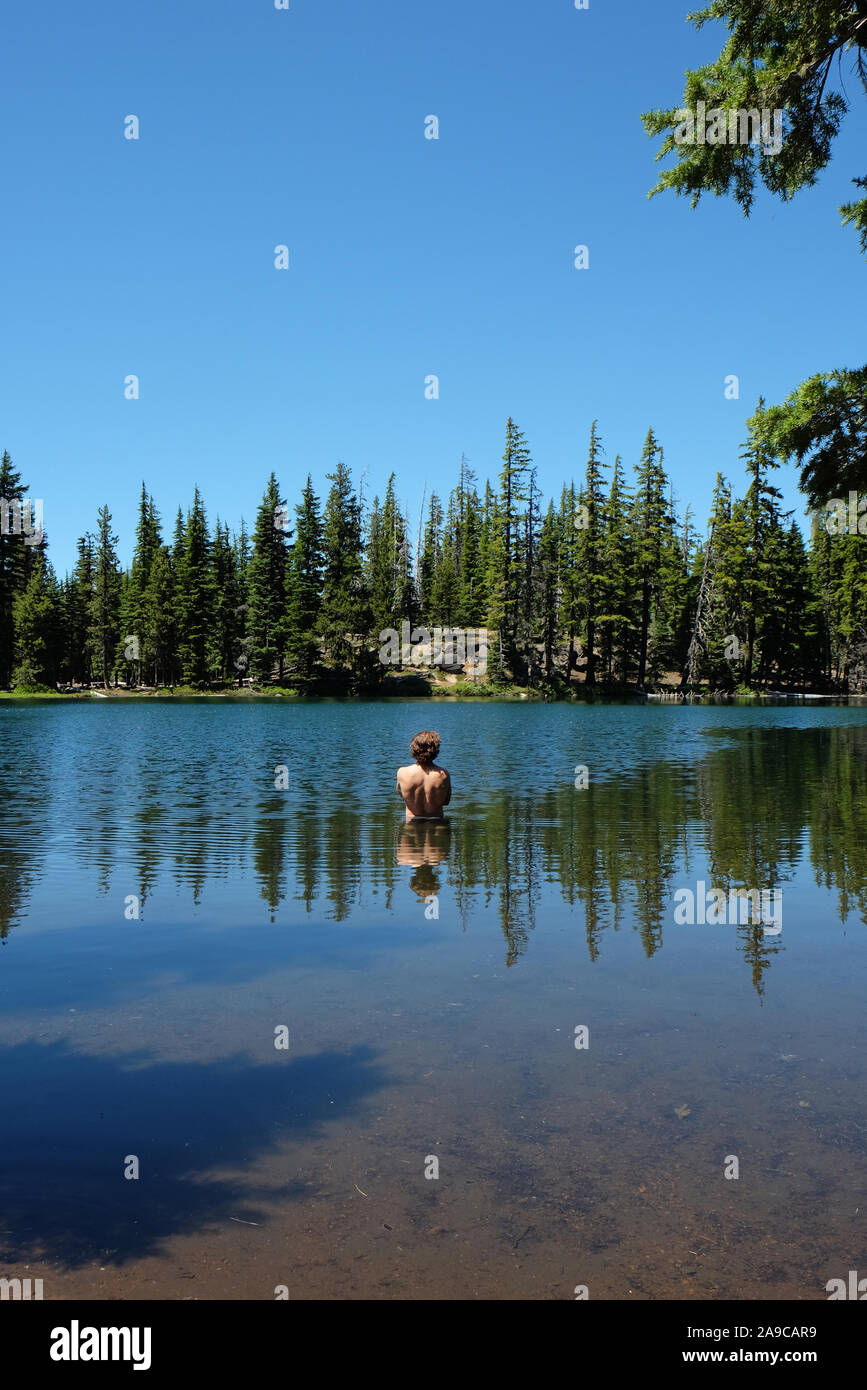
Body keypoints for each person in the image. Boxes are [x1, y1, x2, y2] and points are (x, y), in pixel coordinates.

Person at [396, 730, 451, 823]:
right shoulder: (443, 774)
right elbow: (446, 801)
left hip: (411, 822)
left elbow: (402, 796)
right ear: (436, 750)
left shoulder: (402, 772)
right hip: (437, 821)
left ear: (413, 749)